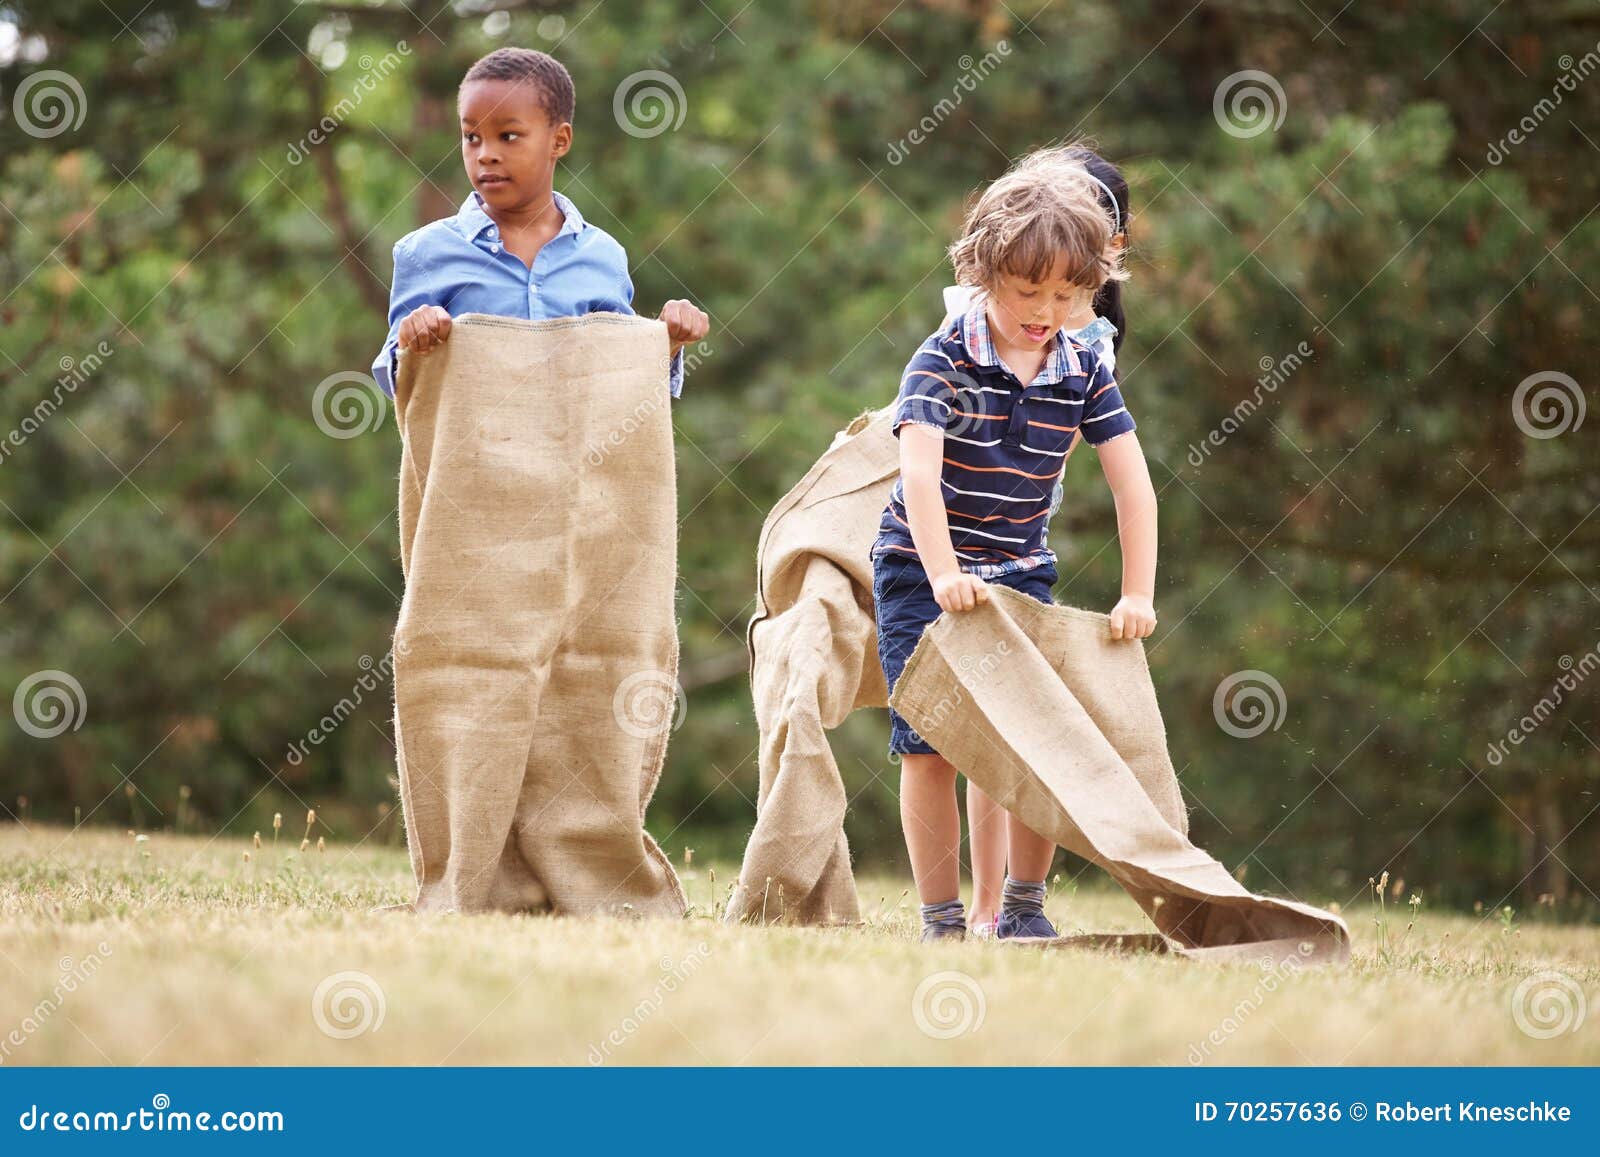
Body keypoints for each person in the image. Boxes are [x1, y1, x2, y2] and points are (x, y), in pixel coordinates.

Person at [872, 145, 1158, 944]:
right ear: (984, 272)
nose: (1046, 308)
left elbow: (1133, 485)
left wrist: (1137, 592)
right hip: (917, 567)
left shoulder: (1083, 366)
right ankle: (941, 919)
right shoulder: (942, 360)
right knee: (929, 745)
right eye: (1028, 289)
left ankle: (1024, 909)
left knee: (1037, 742)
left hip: (1022, 565)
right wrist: (942, 574)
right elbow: (919, 480)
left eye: (1068, 293)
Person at [935, 146, 1132, 938]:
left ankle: (1008, 903)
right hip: (938, 527)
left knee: (1013, 725)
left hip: (1018, 538)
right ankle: (977, 902)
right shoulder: (978, 311)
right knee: (961, 729)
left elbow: (1081, 454)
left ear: (1107, 248)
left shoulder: (1092, 347)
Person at [370, 47, 709, 398]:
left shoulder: (602, 256)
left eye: (508, 136)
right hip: (469, 452)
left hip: (577, 453)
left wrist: (668, 341)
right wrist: (415, 342)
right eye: (472, 137)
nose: (485, 153)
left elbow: (620, 384)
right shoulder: (423, 253)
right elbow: (401, 386)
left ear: (559, 141)